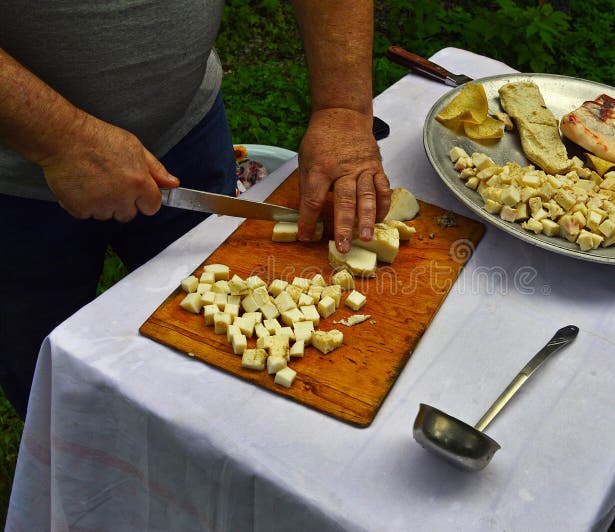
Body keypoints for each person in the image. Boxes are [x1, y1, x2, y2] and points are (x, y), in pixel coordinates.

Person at [0, 0, 391, 418]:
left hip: (187, 129)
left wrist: (344, 108)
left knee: (210, 356)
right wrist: (61, 136)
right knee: (48, 371)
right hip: (15, 183)